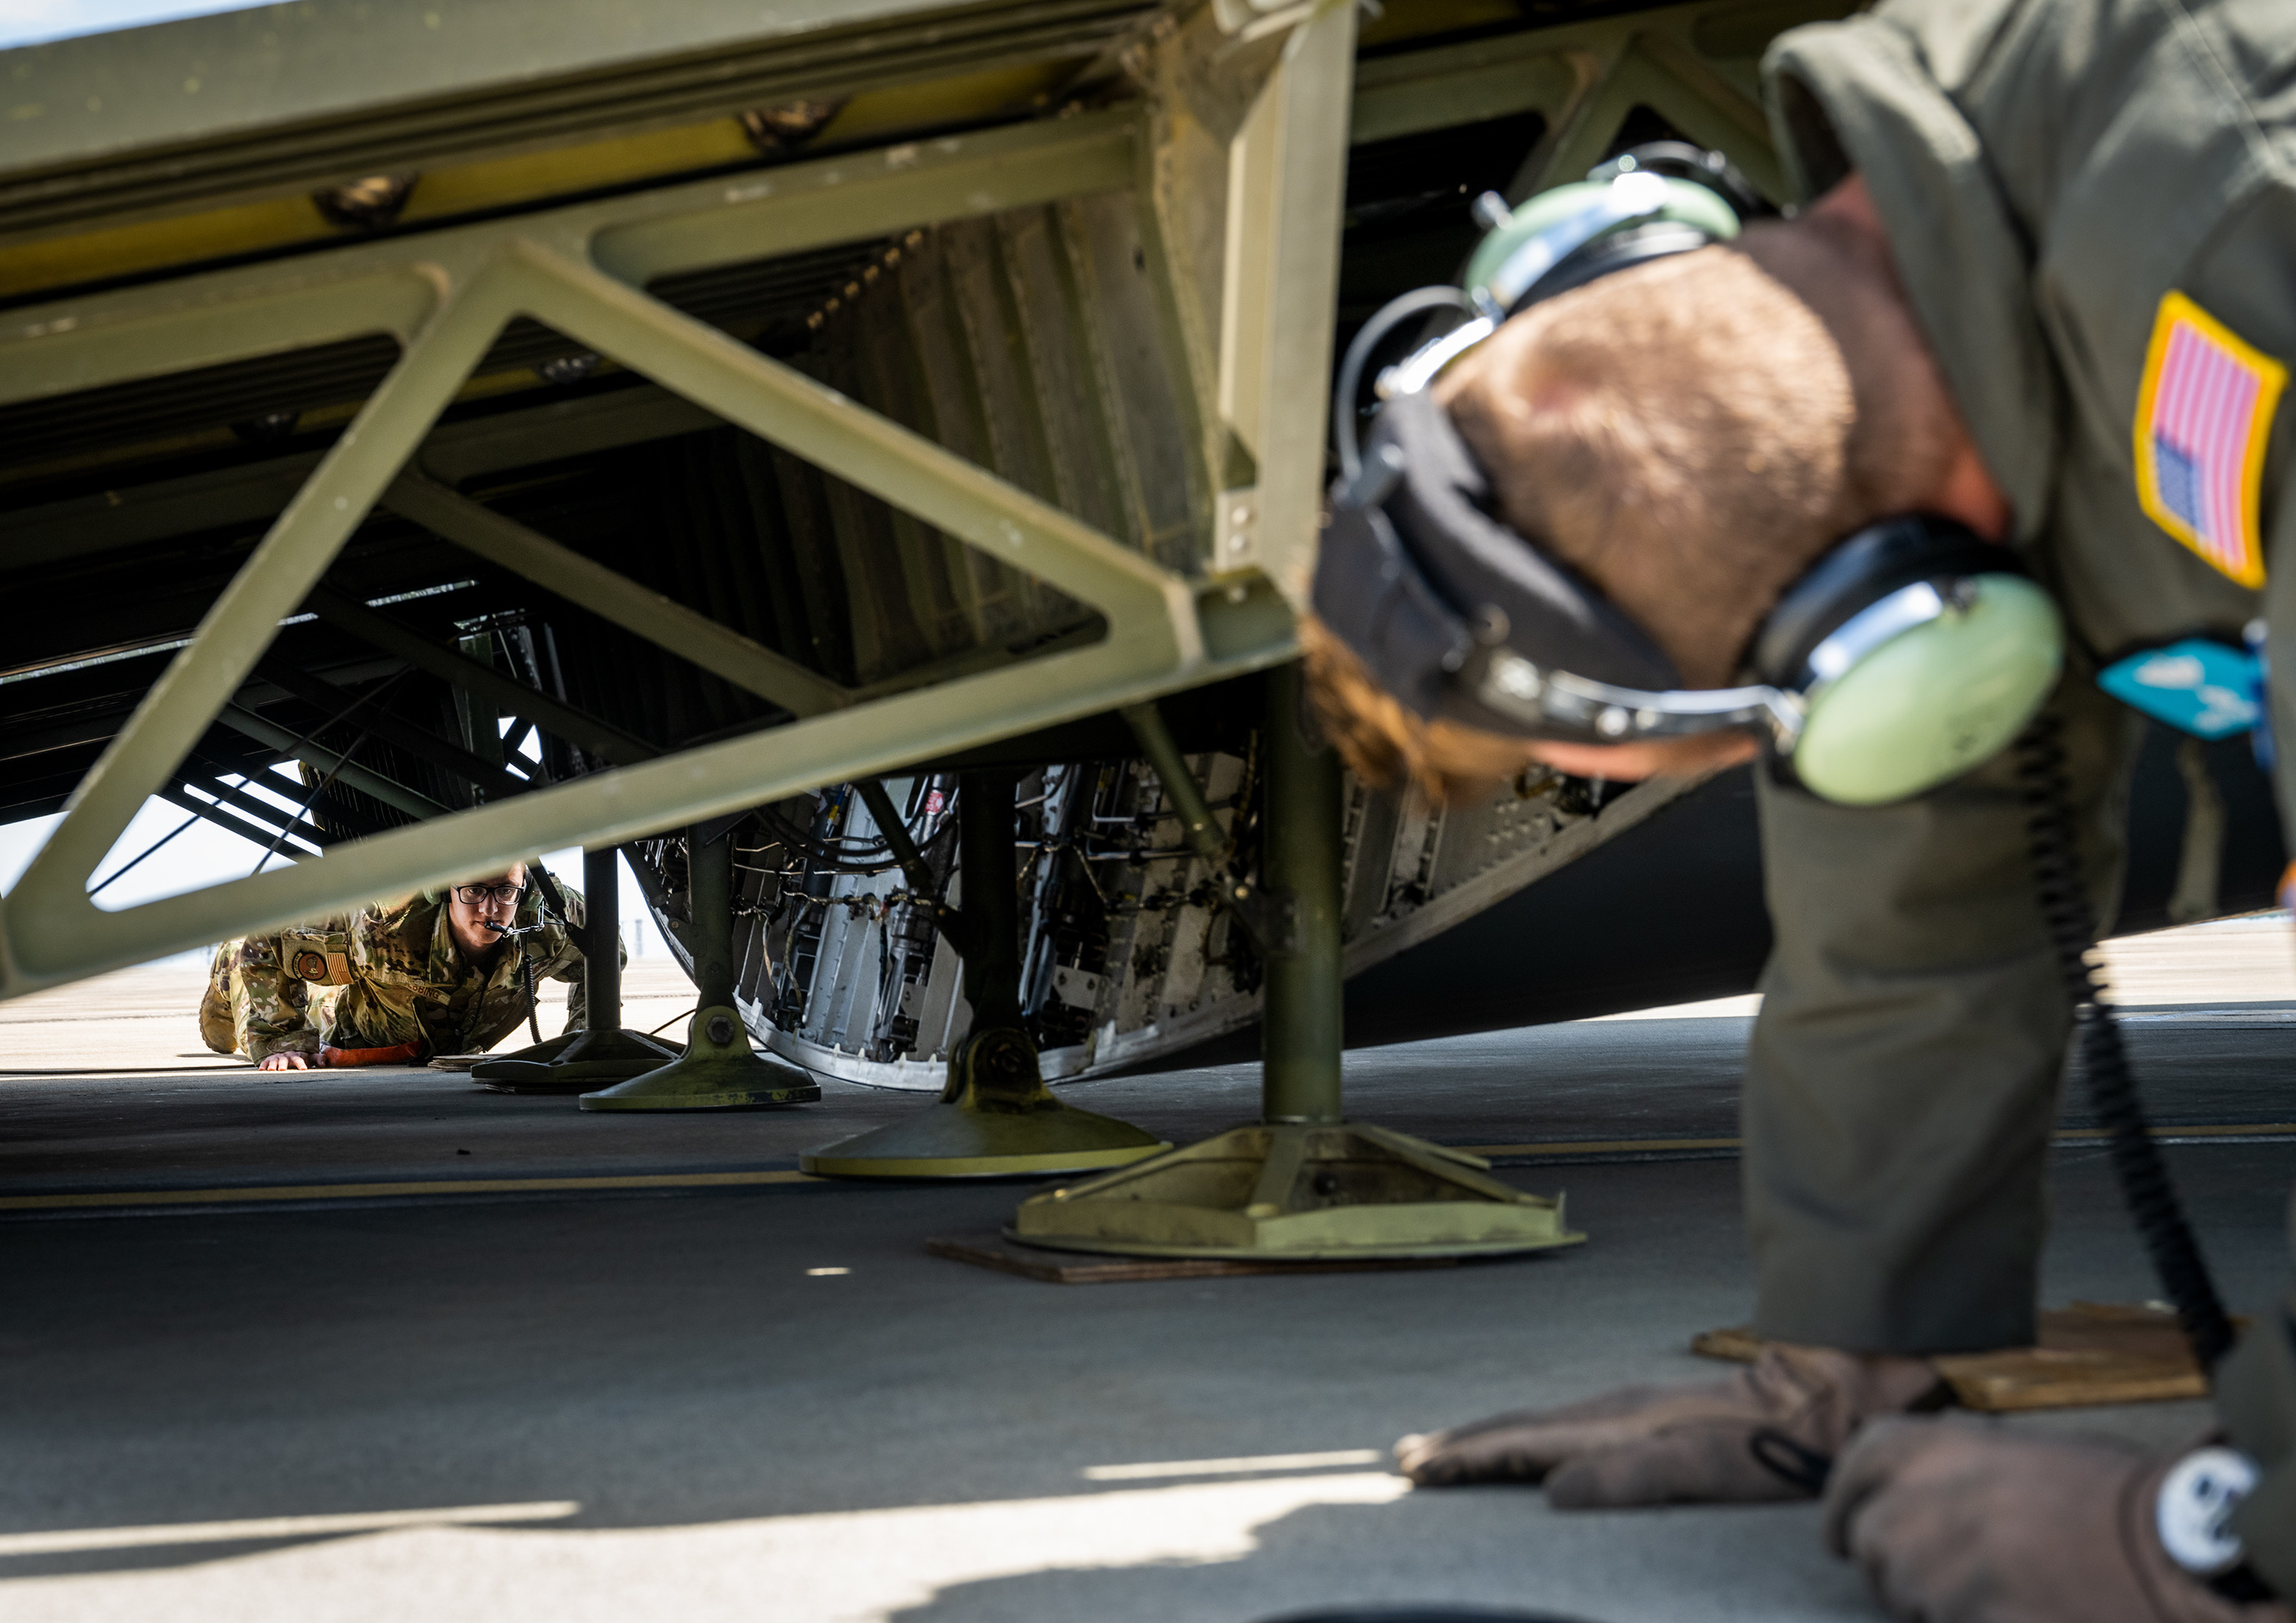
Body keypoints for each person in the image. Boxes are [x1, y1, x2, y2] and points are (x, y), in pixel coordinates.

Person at [1302, 1, 2296, 1617]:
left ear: (1888, 645)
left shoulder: (2254, 237)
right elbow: (1924, 869)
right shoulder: (1951, 220)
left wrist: (2220, 1547)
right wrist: (1843, 1363)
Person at [197, 864, 590, 1068]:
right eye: (473, 891)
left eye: (506, 891)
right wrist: (284, 1041)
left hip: (436, 1041)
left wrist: (582, 1036)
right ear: (445, 891)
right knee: (224, 1037)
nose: (491, 909)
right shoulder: (384, 921)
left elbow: (606, 953)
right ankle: (227, 963)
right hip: (356, 1034)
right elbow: (266, 938)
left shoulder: (554, 916)